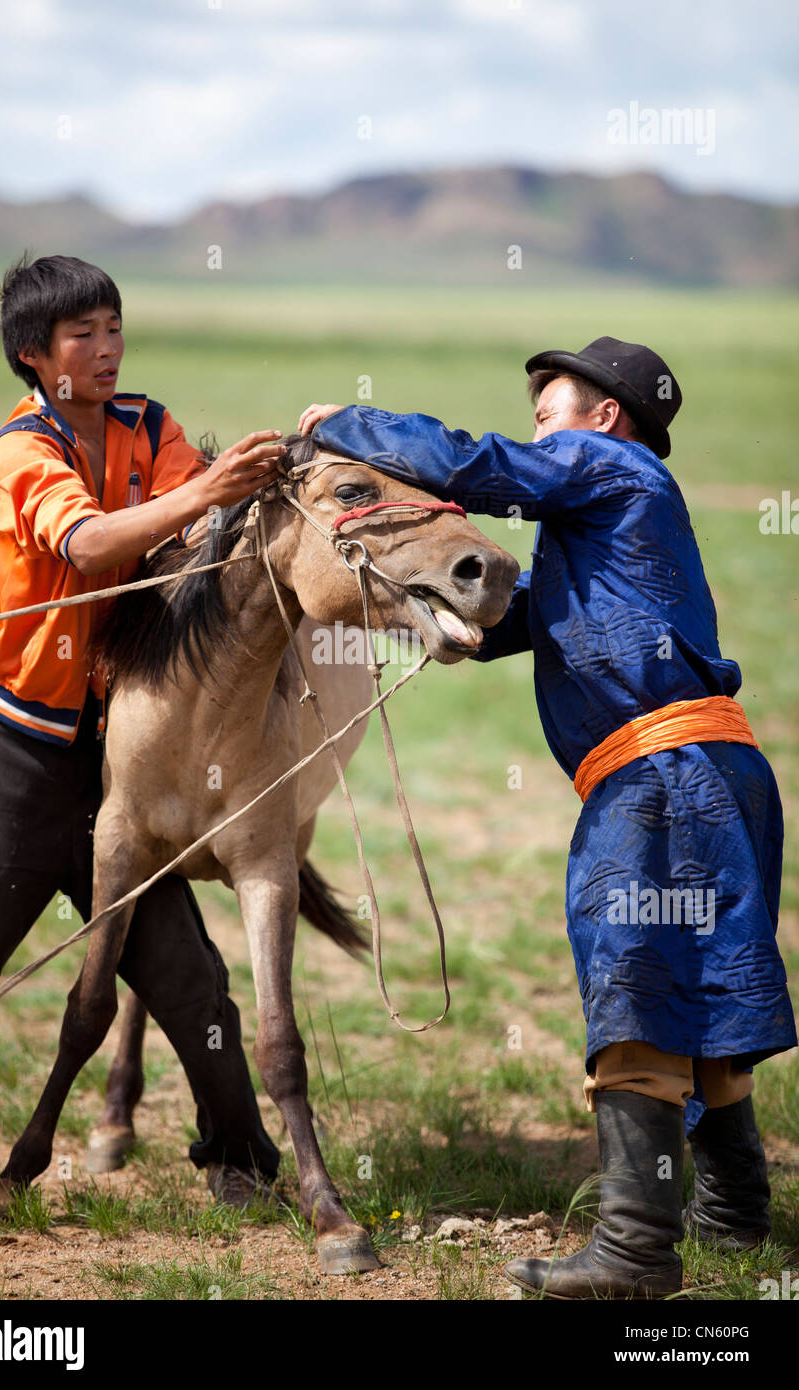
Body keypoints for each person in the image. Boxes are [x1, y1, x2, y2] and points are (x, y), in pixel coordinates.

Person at [298, 336, 797, 1298]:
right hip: (713, 771)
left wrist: (346, 426)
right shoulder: (608, 536)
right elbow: (515, 621)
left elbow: (476, 466)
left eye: (550, 410)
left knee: (638, 987)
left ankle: (634, 1252)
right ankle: (735, 1218)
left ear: (605, 417)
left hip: (659, 780)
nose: (539, 424)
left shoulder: (610, 466)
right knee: (699, 987)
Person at [0, 254, 283, 1192]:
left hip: (114, 766)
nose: (104, 350)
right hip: (3, 758)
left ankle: (241, 1160)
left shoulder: (151, 427)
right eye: (80, 335)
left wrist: (266, 475)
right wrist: (203, 497)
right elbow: (87, 545)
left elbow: (196, 537)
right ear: (31, 356)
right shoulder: (21, 450)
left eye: (113, 329)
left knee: (193, 983)